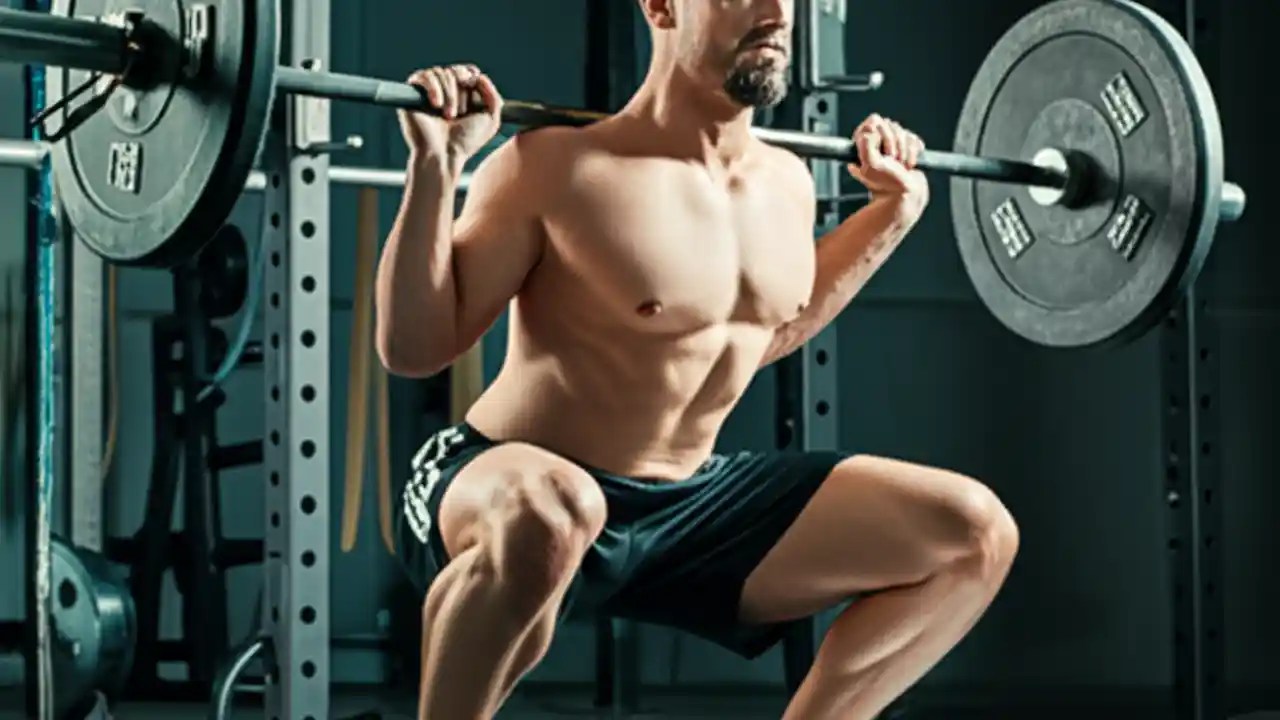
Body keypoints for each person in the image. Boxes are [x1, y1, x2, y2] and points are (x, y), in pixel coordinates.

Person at [376, 1, 1019, 718]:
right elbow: (414, 349)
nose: (777, 11)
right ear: (659, 6)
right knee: (554, 514)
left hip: (688, 502)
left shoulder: (787, 183)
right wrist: (436, 164)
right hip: (506, 478)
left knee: (971, 534)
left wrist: (888, 217)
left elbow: (761, 330)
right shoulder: (552, 166)